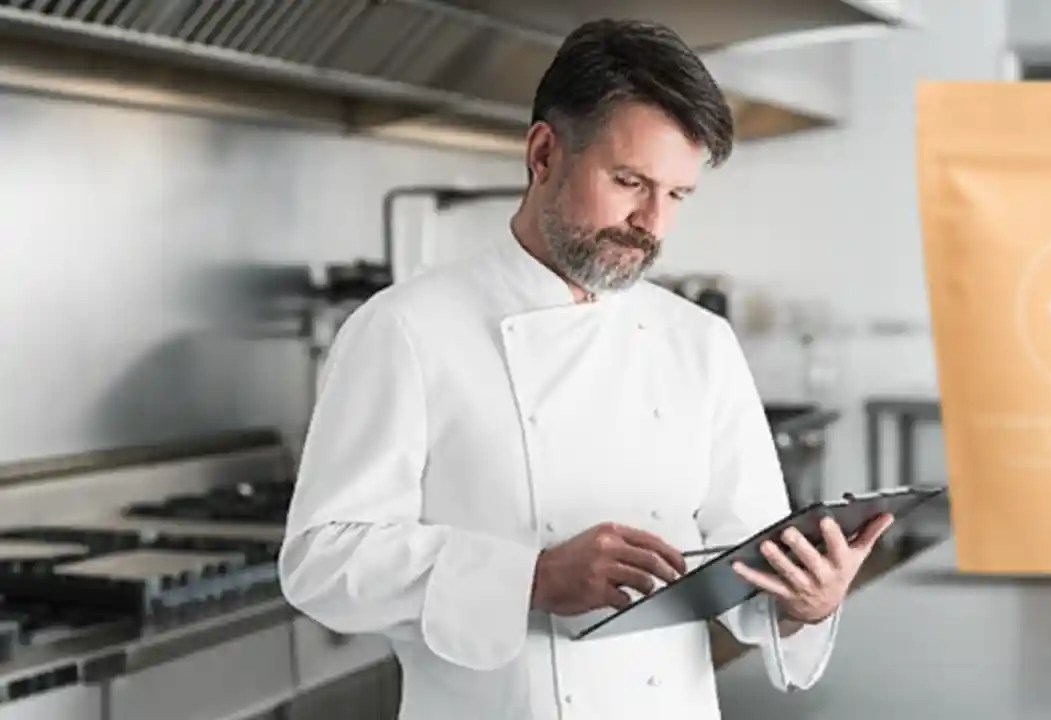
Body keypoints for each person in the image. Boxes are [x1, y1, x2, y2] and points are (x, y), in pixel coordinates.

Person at [279, 18, 894, 720]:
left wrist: (804, 601)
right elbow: (320, 562)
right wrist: (530, 578)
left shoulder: (701, 342)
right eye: (629, 181)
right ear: (543, 153)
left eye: (678, 195)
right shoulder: (407, 329)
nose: (651, 222)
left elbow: (750, 562)